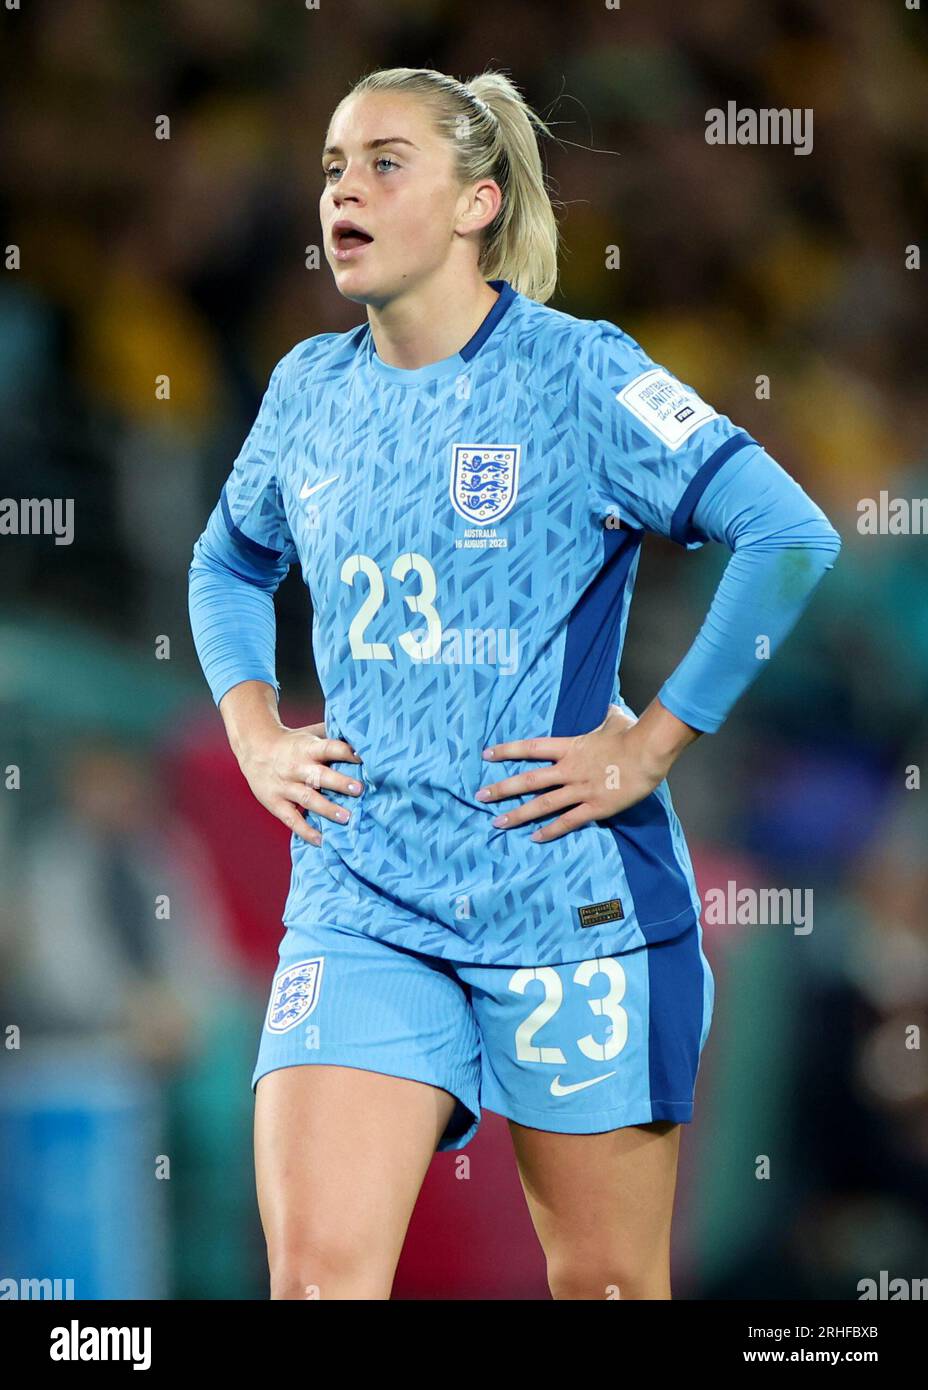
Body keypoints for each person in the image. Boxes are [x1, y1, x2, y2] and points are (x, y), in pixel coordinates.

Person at [188, 65, 842, 1300]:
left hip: (565, 903)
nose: (345, 190)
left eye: (386, 163)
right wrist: (254, 727)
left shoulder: (582, 375)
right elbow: (227, 559)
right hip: (362, 894)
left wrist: (648, 746)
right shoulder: (306, 393)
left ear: (477, 202)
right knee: (319, 1281)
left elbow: (790, 536)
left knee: (601, 1284)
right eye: (333, 165)